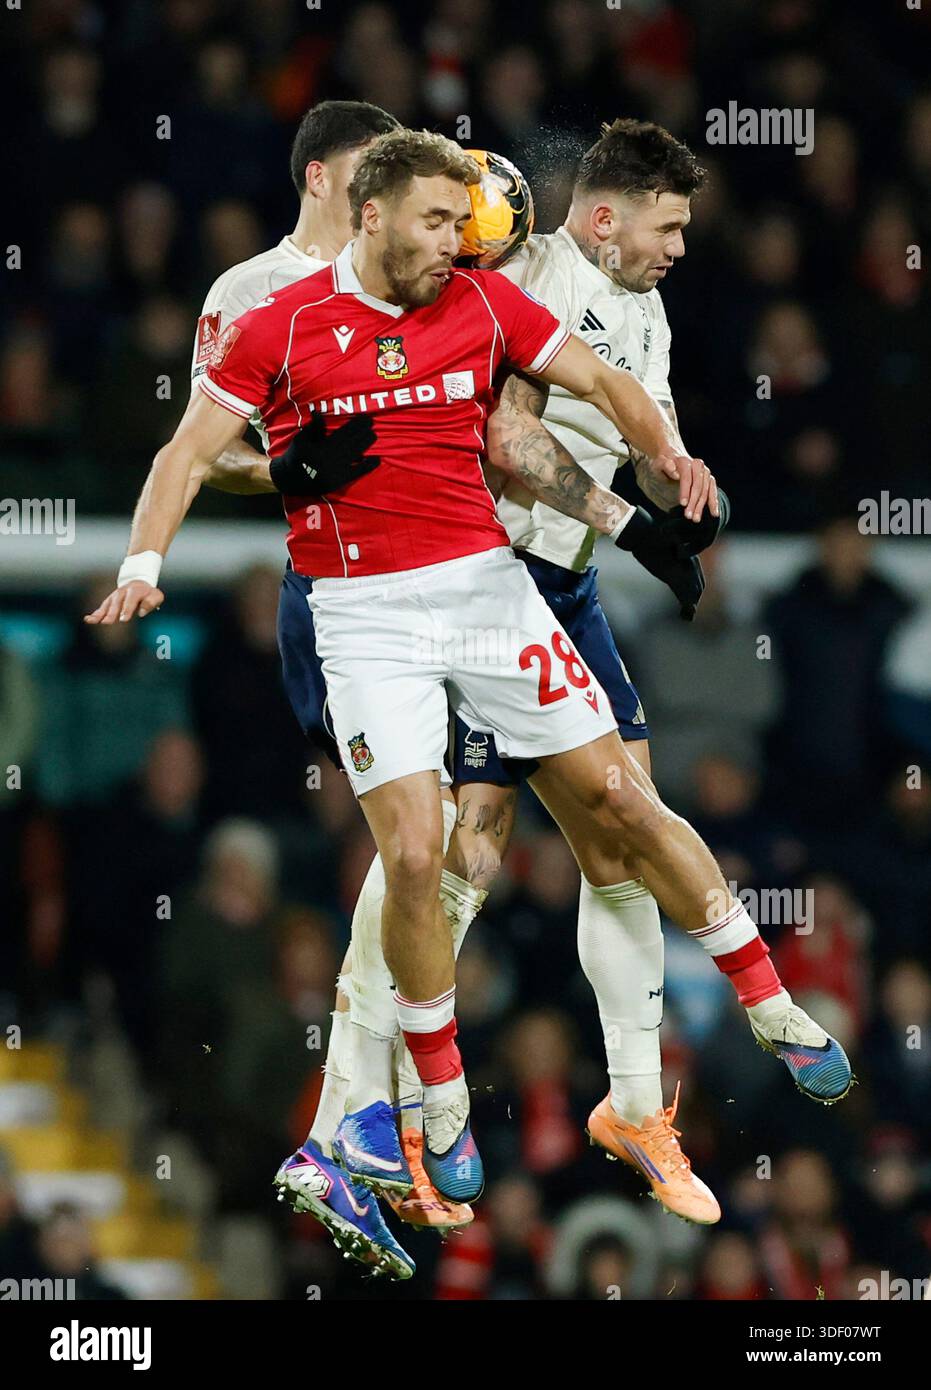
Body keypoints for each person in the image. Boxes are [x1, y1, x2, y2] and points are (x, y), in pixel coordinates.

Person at [87, 127, 850, 1278]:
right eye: (444, 220)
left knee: (615, 824)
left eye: (470, 220)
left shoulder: (547, 299)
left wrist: (660, 498)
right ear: (357, 199)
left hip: (521, 584)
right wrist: (178, 542)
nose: (466, 239)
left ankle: (633, 1098)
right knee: (441, 846)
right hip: (366, 590)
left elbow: (607, 399)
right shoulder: (279, 304)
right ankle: (371, 1109)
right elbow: (217, 449)